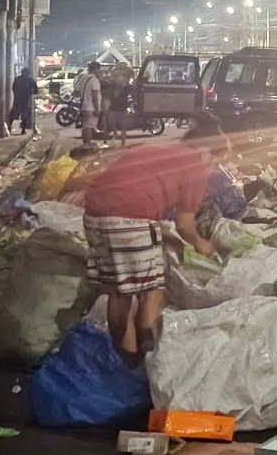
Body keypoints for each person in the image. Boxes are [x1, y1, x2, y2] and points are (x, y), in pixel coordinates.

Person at [82, 113, 231, 361]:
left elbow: (139, 198)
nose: (212, 169)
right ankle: (146, 352)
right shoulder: (195, 164)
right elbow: (184, 225)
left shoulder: (158, 150)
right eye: (216, 163)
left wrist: (167, 238)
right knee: (153, 290)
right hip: (129, 220)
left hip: (94, 214)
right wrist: (201, 244)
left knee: (119, 292)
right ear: (207, 151)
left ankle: (126, 359)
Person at [75, 61, 103, 146]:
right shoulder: (94, 80)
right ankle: (88, 145)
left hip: (84, 106)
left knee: (85, 127)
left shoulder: (84, 78)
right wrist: (97, 109)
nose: (100, 71)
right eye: (99, 69)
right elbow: (95, 96)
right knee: (89, 128)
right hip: (91, 108)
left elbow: (77, 91)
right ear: (96, 69)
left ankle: (85, 144)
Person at [9, 68, 38, 135]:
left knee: (14, 115)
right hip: (25, 100)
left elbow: (13, 88)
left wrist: (17, 93)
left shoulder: (18, 79)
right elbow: (36, 91)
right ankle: (22, 130)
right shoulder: (31, 80)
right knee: (24, 115)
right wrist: (30, 92)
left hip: (19, 99)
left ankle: (10, 128)